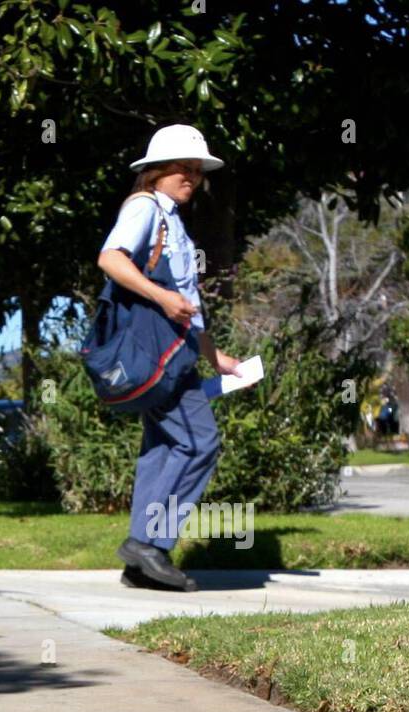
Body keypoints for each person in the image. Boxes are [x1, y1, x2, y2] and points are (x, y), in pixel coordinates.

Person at [96, 124, 242, 591]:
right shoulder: (143, 208)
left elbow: (186, 302)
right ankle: (147, 545)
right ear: (157, 171)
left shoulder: (172, 220)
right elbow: (111, 259)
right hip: (157, 355)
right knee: (199, 442)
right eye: (184, 168)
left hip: (171, 354)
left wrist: (214, 356)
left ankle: (141, 562)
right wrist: (160, 297)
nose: (192, 177)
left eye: (197, 171)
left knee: (162, 449)